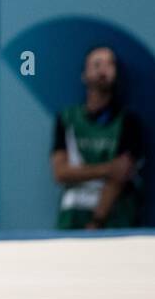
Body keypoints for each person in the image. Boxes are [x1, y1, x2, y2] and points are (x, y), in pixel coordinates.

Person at [51, 46, 143, 230]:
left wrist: (97, 221)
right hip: (72, 220)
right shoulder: (67, 119)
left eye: (110, 65)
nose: (103, 70)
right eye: (97, 64)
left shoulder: (128, 122)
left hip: (114, 221)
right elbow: (61, 172)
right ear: (84, 75)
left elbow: (121, 175)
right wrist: (108, 168)